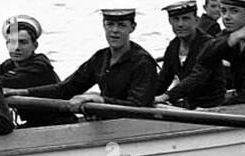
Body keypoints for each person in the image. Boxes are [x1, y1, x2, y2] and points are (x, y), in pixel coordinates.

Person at [16, 8, 158, 108]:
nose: (114, 30)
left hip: (135, 124)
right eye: (110, 25)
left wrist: (99, 99)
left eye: (121, 25)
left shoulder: (143, 62)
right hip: (109, 121)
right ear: (104, 26)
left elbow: (138, 106)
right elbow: (66, 89)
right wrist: (21, 92)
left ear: (132, 28)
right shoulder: (100, 58)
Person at [0, 15, 72, 127]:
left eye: (23, 42)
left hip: (58, 124)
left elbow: (1, 81)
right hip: (34, 124)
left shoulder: (40, 66)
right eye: (12, 42)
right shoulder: (9, 65)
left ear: (35, 45)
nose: (16, 48)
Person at [154, 0, 226, 108]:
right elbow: (164, 78)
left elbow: (197, 77)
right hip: (189, 105)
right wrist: (148, 95)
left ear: (196, 20)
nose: (180, 24)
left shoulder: (209, 44)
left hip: (213, 106)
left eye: (186, 19)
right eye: (175, 19)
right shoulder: (173, 46)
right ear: (170, 22)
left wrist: (166, 96)